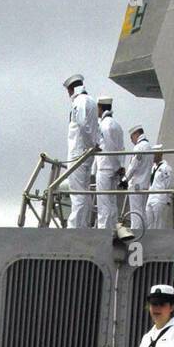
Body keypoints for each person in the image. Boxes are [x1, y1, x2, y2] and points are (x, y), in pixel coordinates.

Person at [63, 75, 99, 229]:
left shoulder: (79, 102)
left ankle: (75, 228)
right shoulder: (91, 101)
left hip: (78, 152)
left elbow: (83, 124)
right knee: (84, 192)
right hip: (85, 153)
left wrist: (90, 145)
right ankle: (83, 225)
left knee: (77, 193)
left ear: (71, 89)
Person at [95, 97, 126, 230]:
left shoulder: (104, 125)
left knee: (104, 204)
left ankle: (104, 231)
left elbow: (109, 147)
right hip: (114, 168)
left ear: (100, 107)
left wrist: (116, 166)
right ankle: (113, 229)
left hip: (105, 168)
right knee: (112, 204)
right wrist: (120, 167)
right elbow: (121, 148)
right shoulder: (117, 125)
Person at [124, 124, 153, 233]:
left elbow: (133, 166)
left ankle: (135, 236)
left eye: (131, 138)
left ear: (136, 134)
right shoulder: (149, 147)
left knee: (135, 213)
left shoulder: (139, 147)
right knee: (142, 212)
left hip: (136, 185)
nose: (132, 141)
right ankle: (146, 234)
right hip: (145, 184)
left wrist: (125, 180)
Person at [145, 147, 174, 229]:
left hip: (160, 198)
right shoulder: (153, 168)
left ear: (159, 154)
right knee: (149, 221)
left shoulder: (166, 168)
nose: (152, 156)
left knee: (159, 222)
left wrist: (167, 198)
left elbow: (169, 183)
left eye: (154, 154)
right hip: (151, 197)